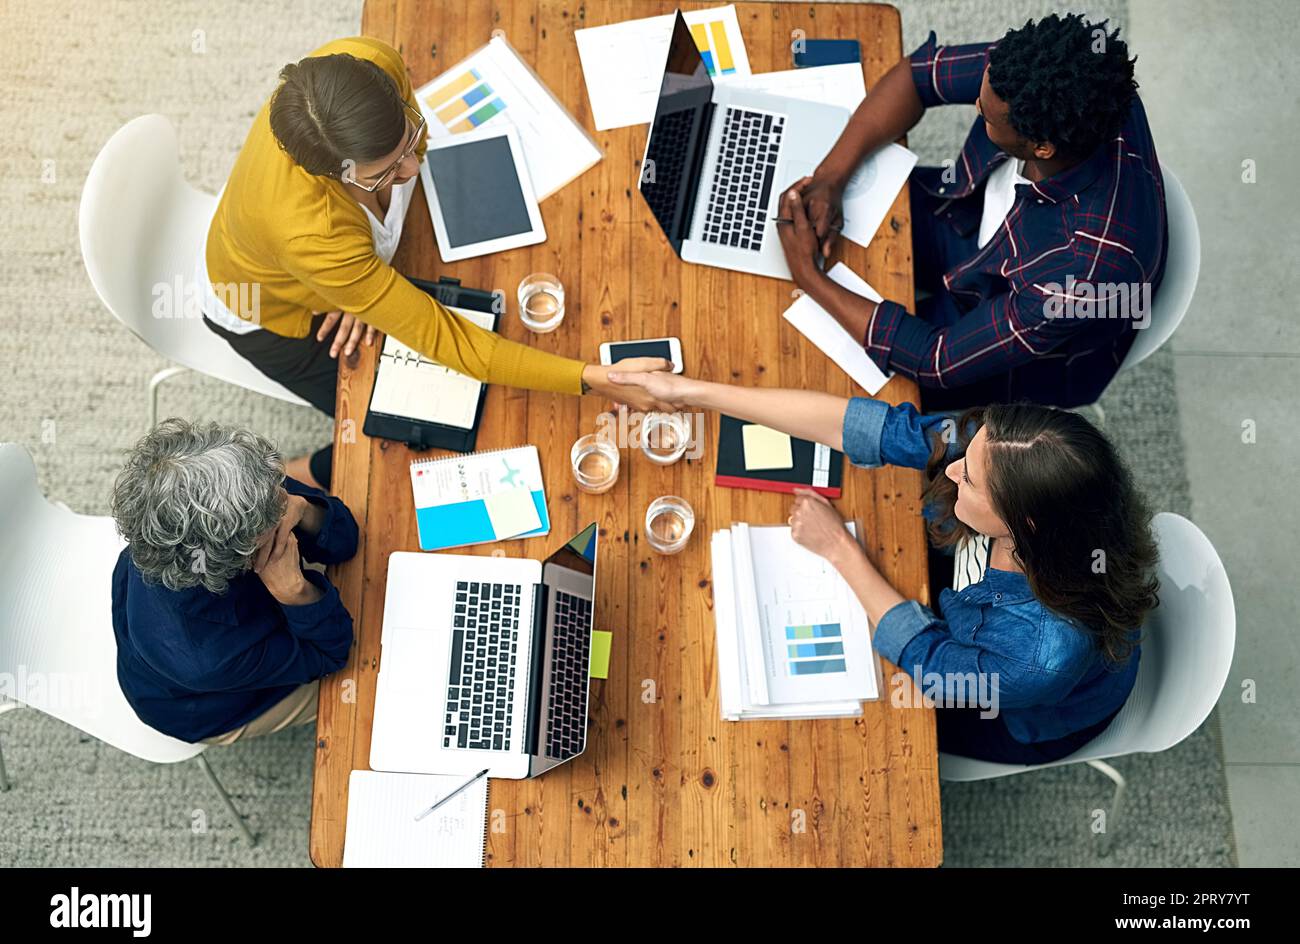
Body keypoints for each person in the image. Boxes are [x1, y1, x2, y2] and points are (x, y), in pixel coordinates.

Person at [608, 368, 1160, 764]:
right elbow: (865, 428)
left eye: (969, 480)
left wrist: (840, 551)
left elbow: (933, 664)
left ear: (1025, 525)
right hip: (983, 612)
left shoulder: (1039, 654)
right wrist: (692, 391)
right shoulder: (1010, 456)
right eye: (967, 456)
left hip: (1013, 713)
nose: (950, 469)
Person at [197, 36, 675, 490]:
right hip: (269, 308)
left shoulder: (366, 61)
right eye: (384, 173)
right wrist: (595, 380)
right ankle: (304, 473)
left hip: (314, 258)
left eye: (409, 140)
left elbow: (401, 160)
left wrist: (361, 291)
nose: (412, 169)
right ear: (333, 173)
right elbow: (445, 338)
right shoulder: (312, 237)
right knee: (399, 430)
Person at [777, 13, 1167, 410]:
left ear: (1042, 147)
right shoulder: (1067, 72)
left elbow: (937, 360)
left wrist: (808, 276)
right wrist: (831, 178)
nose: (977, 104)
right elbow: (920, 76)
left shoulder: (1078, 274)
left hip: (1007, 317)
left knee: (814, 378)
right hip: (966, 215)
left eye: (986, 116)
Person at [110, 419, 360, 745]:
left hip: (204, 624)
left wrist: (304, 510)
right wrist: (295, 592)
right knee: (364, 680)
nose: (283, 496)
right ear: (244, 552)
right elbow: (332, 653)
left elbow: (347, 539)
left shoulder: (240, 481)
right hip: (206, 706)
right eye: (276, 508)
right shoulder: (207, 657)